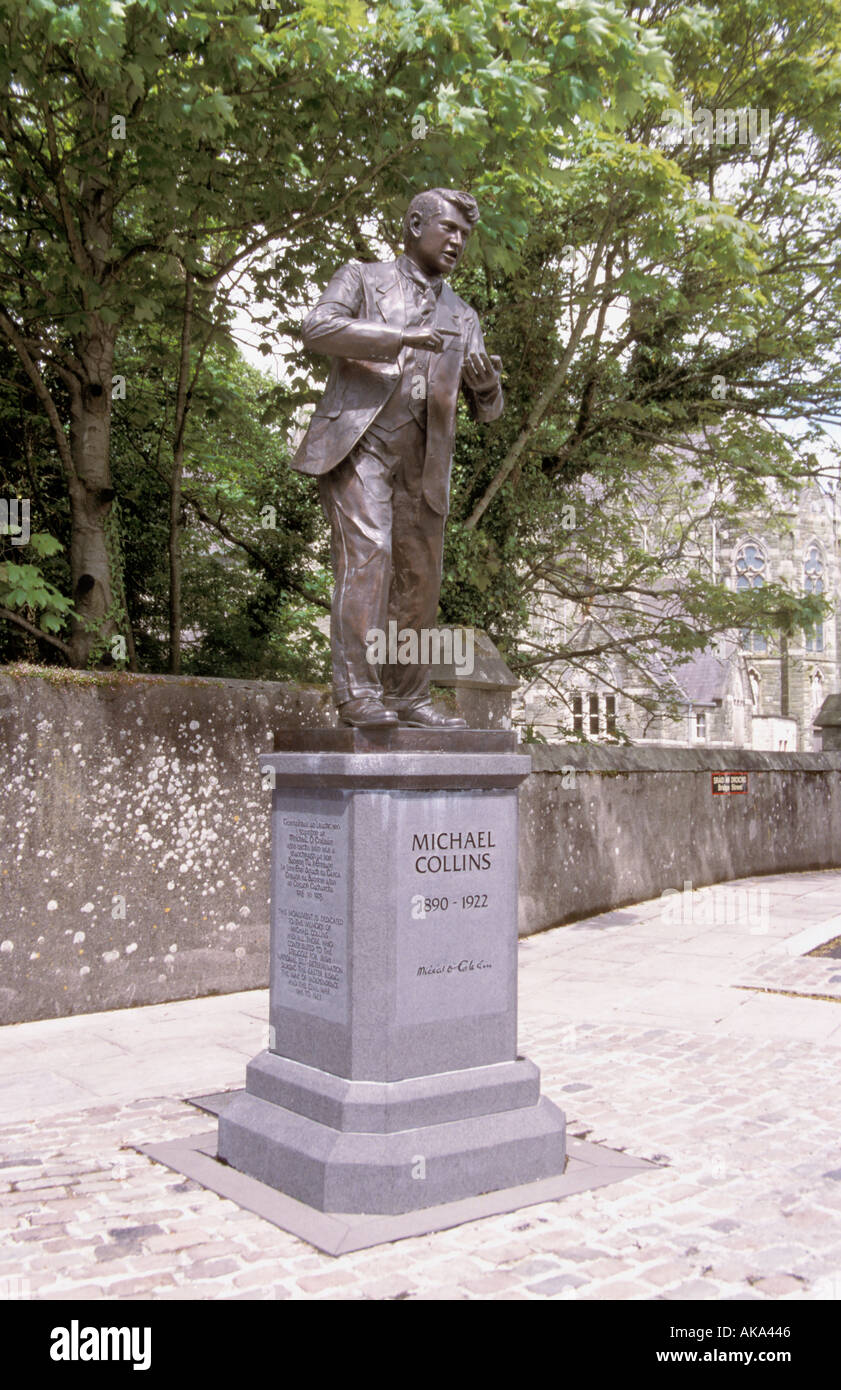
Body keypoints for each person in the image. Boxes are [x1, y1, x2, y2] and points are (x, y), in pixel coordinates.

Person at [291, 188, 504, 728]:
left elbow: (488, 412)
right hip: (360, 444)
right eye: (448, 228)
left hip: (424, 462)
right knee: (371, 555)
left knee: (420, 579)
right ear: (414, 225)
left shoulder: (463, 315)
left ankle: (408, 696)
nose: (457, 242)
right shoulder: (362, 278)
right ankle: (358, 692)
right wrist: (400, 337)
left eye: (464, 235)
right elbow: (317, 328)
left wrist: (487, 387)